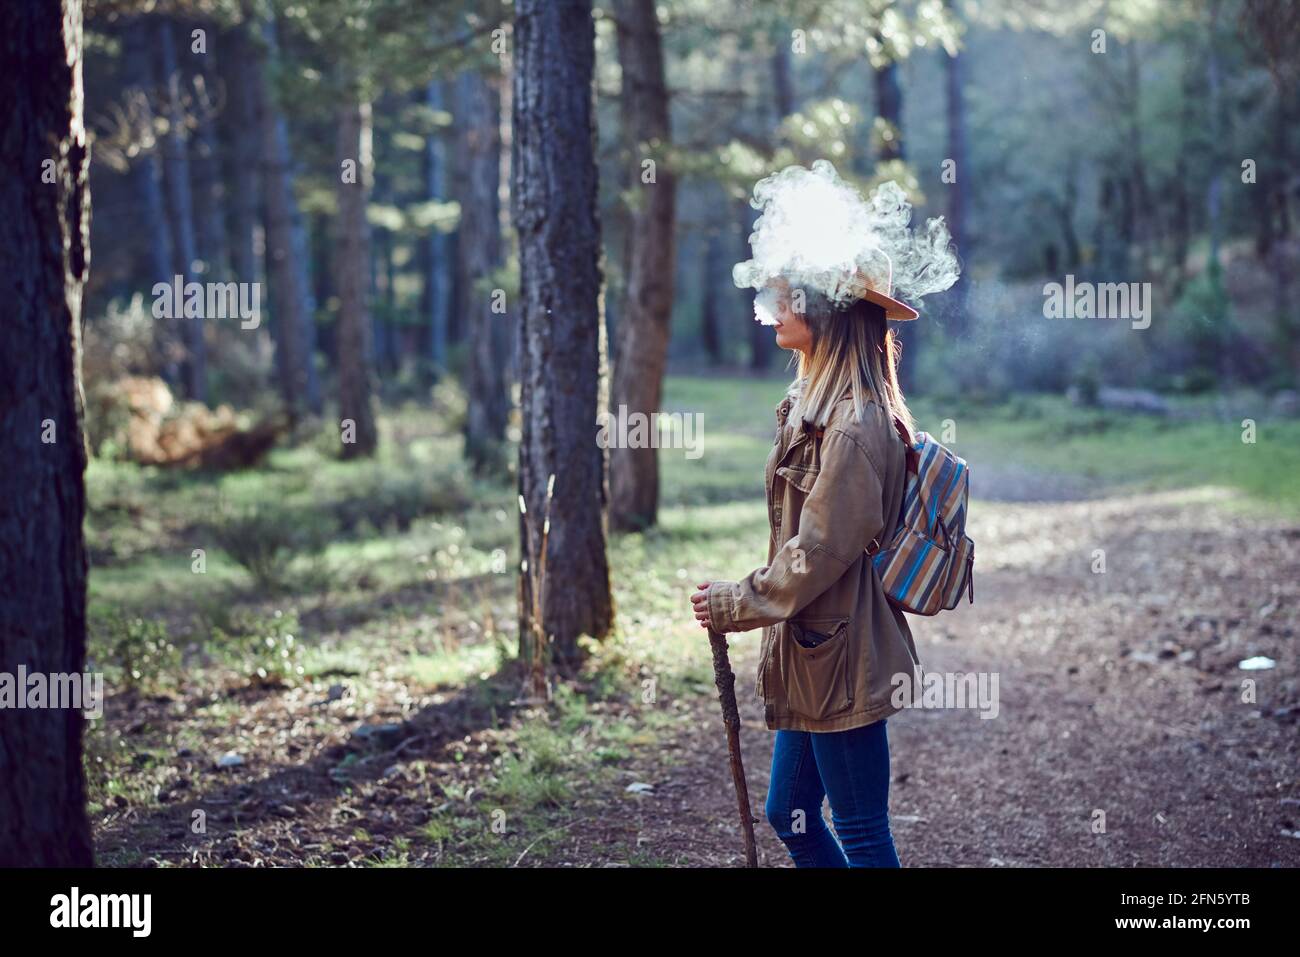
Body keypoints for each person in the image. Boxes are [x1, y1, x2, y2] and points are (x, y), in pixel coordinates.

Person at [689, 269, 925, 868]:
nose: (773, 306)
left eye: (790, 297)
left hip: (842, 653)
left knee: (861, 830)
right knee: (787, 813)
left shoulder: (855, 422)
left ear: (829, 313)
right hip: (813, 646)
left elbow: (818, 550)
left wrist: (733, 603)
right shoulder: (817, 410)